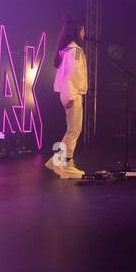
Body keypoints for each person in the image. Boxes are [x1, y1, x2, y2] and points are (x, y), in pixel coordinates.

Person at [46, 18, 88, 179]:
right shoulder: (75, 51)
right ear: (77, 31)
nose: (84, 33)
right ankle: (65, 165)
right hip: (72, 94)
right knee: (74, 130)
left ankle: (56, 161)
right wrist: (72, 95)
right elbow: (72, 74)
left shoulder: (66, 50)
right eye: (83, 30)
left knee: (72, 129)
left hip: (68, 93)